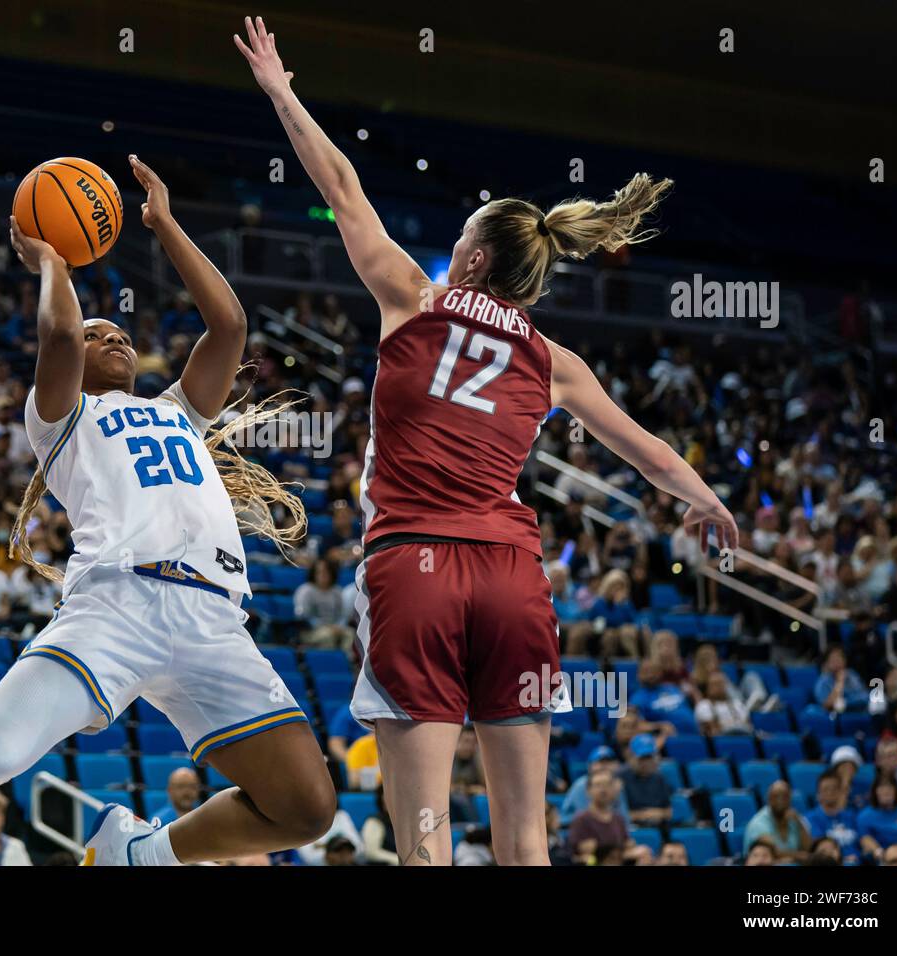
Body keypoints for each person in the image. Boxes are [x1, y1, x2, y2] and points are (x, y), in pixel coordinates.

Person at [235, 17, 736, 866]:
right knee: (527, 839)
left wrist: (281, 91)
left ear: (471, 261)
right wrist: (709, 501)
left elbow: (343, 187)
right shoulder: (555, 362)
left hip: (414, 567)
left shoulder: (412, 296)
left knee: (425, 836)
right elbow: (649, 453)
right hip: (512, 576)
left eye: (463, 233)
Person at [0, 156, 335, 867]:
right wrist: (52, 261)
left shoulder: (178, 411)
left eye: (122, 335)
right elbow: (57, 337)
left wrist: (165, 225)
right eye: (97, 333)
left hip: (213, 620)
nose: (113, 338)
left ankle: (141, 855)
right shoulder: (61, 418)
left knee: (307, 809)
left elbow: (230, 325)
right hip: (116, 607)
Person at [742, 780, 812, 863]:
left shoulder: (795, 819)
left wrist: (799, 824)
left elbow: (809, 848)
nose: (780, 800)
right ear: (768, 798)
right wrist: (800, 856)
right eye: (775, 796)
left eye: (784, 796)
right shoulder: (758, 823)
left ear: (790, 798)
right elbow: (773, 852)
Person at [805, 768, 861, 863]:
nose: (830, 792)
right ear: (818, 794)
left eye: (834, 788)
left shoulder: (852, 816)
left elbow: (862, 843)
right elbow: (820, 849)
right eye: (825, 789)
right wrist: (843, 859)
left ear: (840, 791)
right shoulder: (810, 819)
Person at [856, 774, 897, 861]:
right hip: (884, 857)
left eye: (890, 788)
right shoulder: (865, 816)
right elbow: (865, 839)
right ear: (875, 792)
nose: (886, 792)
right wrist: (880, 853)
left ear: (896, 792)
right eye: (882, 789)